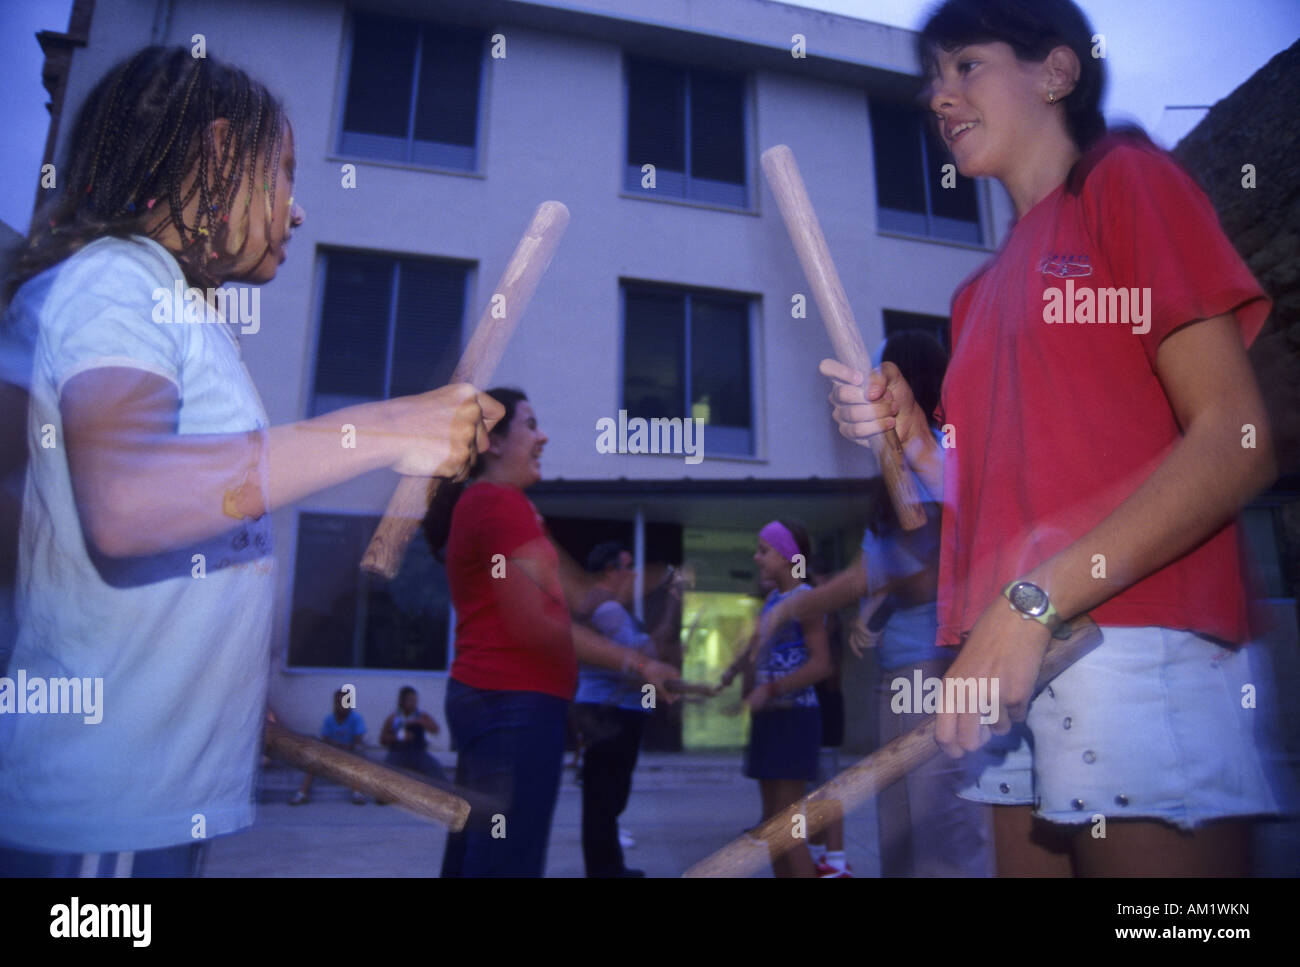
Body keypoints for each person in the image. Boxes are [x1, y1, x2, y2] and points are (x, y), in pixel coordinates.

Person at [0, 47, 499, 876]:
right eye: (285, 174)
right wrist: (385, 428)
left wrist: (221, 700)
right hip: (98, 812)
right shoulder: (119, 281)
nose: (297, 212)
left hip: (150, 799)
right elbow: (128, 502)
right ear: (220, 154)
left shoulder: (178, 309)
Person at [819, 0, 1279, 875]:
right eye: (933, 76)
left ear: (1056, 72)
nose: (937, 95)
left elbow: (1237, 435)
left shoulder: (1125, 183)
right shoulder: (975, 294)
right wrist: (919, 447)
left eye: (965, 66)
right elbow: (996, 488)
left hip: (1135, 645)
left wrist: (1033, 602)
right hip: (1010, 666)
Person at [424, 388, 680, 877]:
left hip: (498, 701)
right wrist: (640, 663)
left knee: (479, 852)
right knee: (504, 859)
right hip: (511, 704)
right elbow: (534, 622)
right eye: (530, 424)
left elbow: (581, 596)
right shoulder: (497, 505)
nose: (543, 436)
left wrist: (642, 579)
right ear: (490, 442)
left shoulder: (504, 509)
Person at [770, 332, 993, 877]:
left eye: (880, 376)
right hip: (900, 675)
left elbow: (912, 571)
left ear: (908, 383)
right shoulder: (898, 469)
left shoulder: (939, 456)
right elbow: (897, 572)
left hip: (939, 672)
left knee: (941, 841)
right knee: (901, 841)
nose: (863, 395)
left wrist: (785, 609)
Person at [722, 520, 831, 878]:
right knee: (772, 827)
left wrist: (769, 688)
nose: (756, 558)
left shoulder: (807, 601)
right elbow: (756, 648)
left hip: (795, 719)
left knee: (787, 828)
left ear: (787, 556)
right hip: (770, 719)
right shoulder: (772, 600)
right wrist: (731, 673)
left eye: (763, 550)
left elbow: (821, 665)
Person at [572, 542, 684, 877]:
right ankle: (605, 870)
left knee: (608, 795)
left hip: (617, 710)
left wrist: (672, 601)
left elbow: (654, 645)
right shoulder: (606, 610)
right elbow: (647, 654)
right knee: (605, 796)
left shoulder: (613, 609)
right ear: (610, 570)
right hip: (610, 711)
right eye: (627, 565)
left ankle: (609, 866)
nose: (634, 573)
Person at [291, 690, 367, 805]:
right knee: (314, 760)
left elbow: (358, 740)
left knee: (359, 754)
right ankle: (302, 794)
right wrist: (338, 746)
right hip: (333, 756)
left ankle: (357, 793)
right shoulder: (329, 719)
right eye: (339, 701)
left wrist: (343, 747)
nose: (341, 705)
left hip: (349, 755)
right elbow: (325, 740)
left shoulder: (356, 719)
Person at [379, 686, 447, 783]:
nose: (413, 703)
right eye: (410, 700)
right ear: (402, 701)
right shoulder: (394, 718)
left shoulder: (422, 716)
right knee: (384, 776)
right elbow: (383, 739)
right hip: (398, 753)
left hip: (418, 753)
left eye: (415, 700)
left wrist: (421, 723)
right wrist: (400, 737)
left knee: (436, 771)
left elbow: (436, 730)